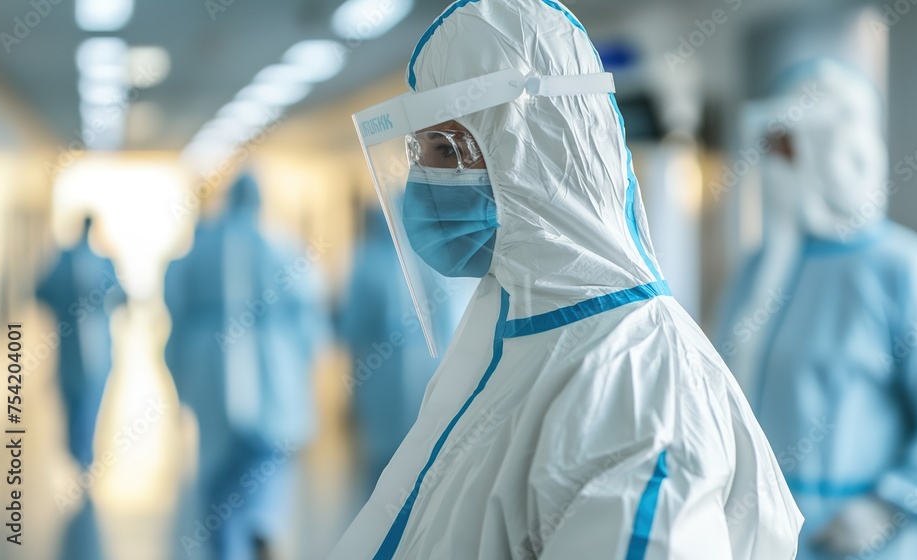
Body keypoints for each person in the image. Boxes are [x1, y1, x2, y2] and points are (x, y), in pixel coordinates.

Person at [329, 1, 802, 558]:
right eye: (418, 151)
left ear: (527, 152)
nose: (422, 178)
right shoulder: (513, 333)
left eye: (442, 149)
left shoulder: (634, 384)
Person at [716, 59, 917, 559]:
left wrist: (893, 505)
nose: (777, 161)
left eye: (790, 143)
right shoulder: (759, 270)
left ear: (840, 148)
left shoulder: (906, 271)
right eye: (772, 146)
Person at [164, 174, 328, 560]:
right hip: (276, 365)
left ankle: (225, 544)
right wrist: (302, 363)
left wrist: (179, 374)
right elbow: (309, 316)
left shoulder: (199, 249)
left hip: (210, 368)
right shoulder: (283, 249)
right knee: (270, 451)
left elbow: (176, 311)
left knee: (217, 460)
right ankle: (262, 524)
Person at [338, 207, 465, 494]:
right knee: (417, 452)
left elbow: (353, 329)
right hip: (425, 367)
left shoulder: (366, 262)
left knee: (383, 457)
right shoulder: (428, 262)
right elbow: (448, 325)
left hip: (379, 369)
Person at [36, 215, 124, 560]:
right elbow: (40, 290)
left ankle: (84, 459)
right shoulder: (64, 260)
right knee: (74, 403)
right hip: (72, 352)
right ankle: (78, 455)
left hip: (99, 352)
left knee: (90, 403)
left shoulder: (104, 261)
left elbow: (120, 294)